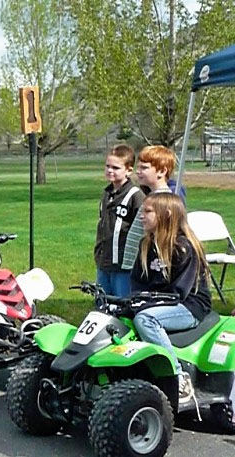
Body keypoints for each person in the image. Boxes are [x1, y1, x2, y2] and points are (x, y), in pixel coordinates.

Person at [130, 192, 212, 403]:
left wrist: (145, 304)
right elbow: (137, 283)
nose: (142, 216)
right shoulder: (146, 245)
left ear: (166, 215)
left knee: (145, 319)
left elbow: (179, 292)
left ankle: (177, 376)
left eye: (147, 212)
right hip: (158, 302)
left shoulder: (184, 247)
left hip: (189, 305)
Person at [121, 145, 186, 272]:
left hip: (145, 264)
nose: (138, 171)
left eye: (144, 168)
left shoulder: (164, 201)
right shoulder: (150, 196)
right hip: (136, 263)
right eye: (138, 167)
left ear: (162, 171)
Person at [94, 144, 145, 296]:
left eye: (116, 168)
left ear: (129, 170)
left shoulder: (135, 196)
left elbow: (141, 229)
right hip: (104, 261)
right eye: (107, 166)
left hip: (123, 264)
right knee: (103, 302)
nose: (110, 170)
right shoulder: (107, 193)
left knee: (122, 303)